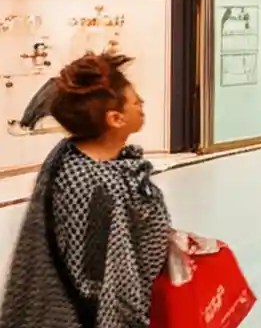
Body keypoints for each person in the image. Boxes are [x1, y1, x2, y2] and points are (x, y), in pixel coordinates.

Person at [0, 52, 172, 328]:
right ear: (115, 118)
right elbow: (102, 287)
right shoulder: (96, 186)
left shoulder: (72, 156)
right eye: (134, 101)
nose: (142, 104)